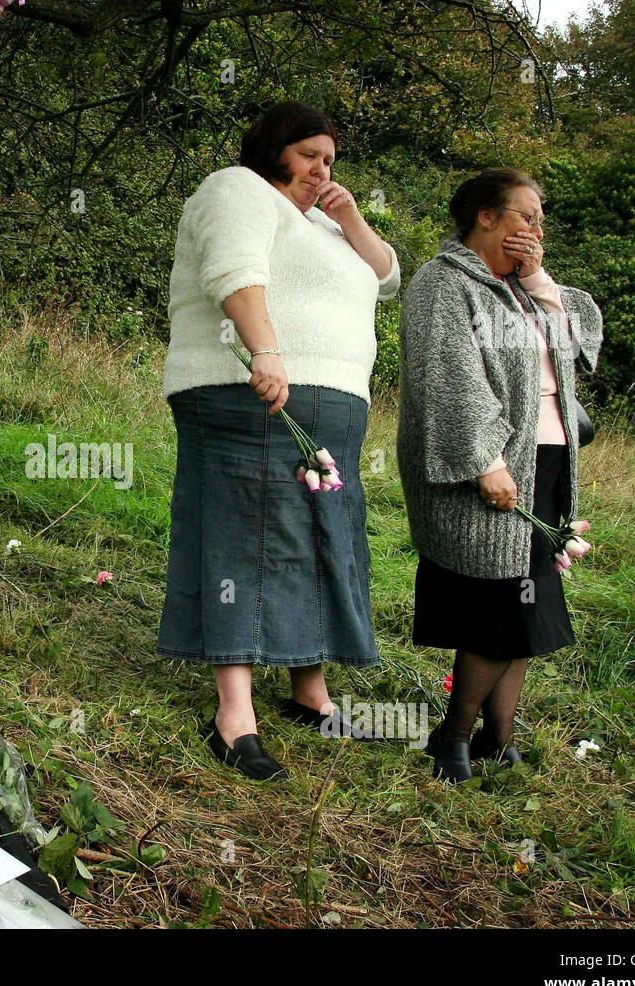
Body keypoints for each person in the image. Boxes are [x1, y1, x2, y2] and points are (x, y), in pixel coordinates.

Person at [156, 101, 401, 781]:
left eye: (330, 157)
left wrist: (349, 215)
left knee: (321, 541)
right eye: (309, 153)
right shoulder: (236, 189)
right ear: (273, 150)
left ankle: (310, 696)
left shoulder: (326, 224)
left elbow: (388, 278)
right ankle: (234, 717)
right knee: (243, 539)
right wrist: (265, 352)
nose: (322, 167)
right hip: (247, 392)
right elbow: (234, 272)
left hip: (333, 405)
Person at [396, 168, 604, 782]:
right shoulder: (444, 283)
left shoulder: (522, 289)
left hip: (549, 460)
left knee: (528, 606)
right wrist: (486, 460)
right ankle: (453, 736)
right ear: (486, 216)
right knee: (500, 609)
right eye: (526, 216)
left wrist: (538, 277)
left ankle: (496, 738)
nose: (537, 229)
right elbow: (449, 376)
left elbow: (579, 345)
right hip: (490, 463)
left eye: (541, 219)